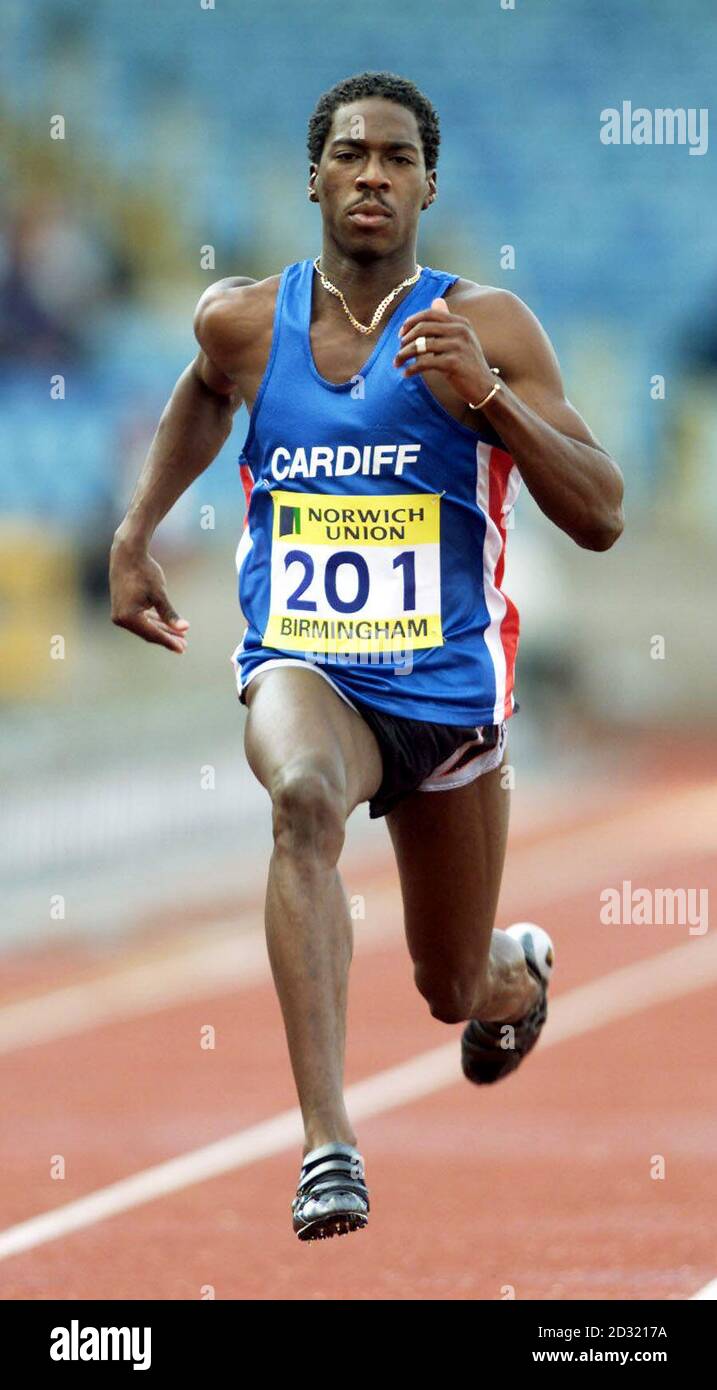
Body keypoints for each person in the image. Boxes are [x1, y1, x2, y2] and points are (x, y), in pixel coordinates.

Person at [109, 71, 624, 1243]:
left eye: (397, 159)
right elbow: (203, 393)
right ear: (316, 177)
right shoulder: (242, 320)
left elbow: (602, 513)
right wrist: (137, 534)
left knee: (451, 988)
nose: (374, 176)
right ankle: (329, 1144)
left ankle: (514, 969)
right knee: (299, 799)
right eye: (352, 155)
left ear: (429, 185)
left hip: (446, 693)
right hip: (310, 667)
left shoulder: (487, 325)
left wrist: (487, 399)